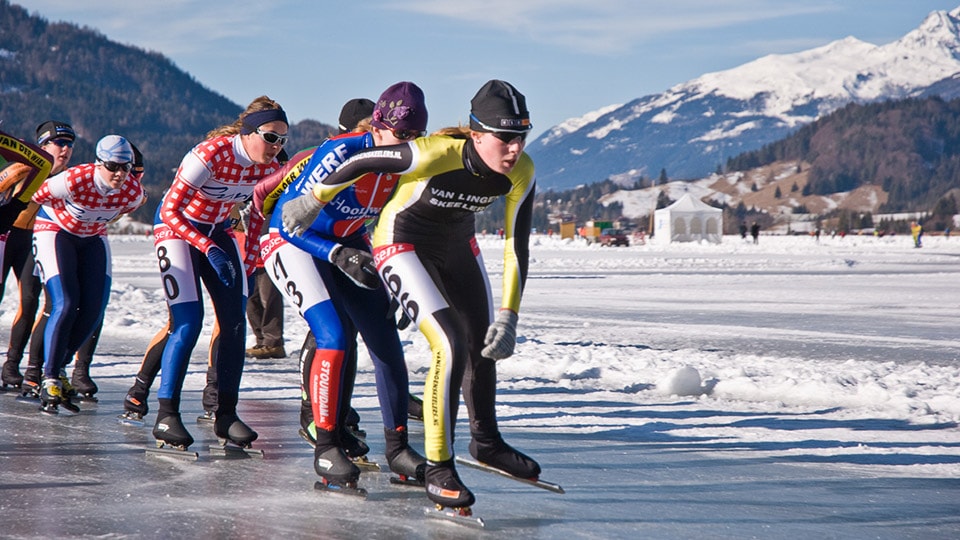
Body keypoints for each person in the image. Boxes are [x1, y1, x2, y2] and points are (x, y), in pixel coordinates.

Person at [282, 79, 540, 510]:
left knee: (482, 344)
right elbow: (360, 160)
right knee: (449, 345)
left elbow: (516, 247)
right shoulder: (432, 153)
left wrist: (510, 314)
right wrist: (314, 199)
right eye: (505, 138)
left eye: (521, 137)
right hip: (399, 245)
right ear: (477, 134)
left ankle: (487, 441)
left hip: (457, 247)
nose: (514, 149)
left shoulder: (522, 171)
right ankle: (439, 465)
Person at [256, 86, 427, 488]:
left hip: (348, 243)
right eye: (401, 137)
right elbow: (289, 223)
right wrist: (336, 255)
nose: (407, 147)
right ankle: (327, 446)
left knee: (385, 336)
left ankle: (398, 448)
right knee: (332, 337)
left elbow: (394, 227)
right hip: (292, 241)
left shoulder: (407, 163)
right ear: (379, 126)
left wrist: (398, 278)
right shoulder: (342, 152)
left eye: (415, 138)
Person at [149, 96, 285, 450]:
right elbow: (171, 212)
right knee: (188, 322)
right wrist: (206, 247)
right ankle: (167, 414)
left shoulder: (271, 165)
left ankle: (226, 413)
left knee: (235, 322)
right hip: (178, 230)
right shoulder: (210, 153)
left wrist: (253, 259)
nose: (276, 147)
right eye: (271, 137)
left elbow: (257, 215)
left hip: (218, 230)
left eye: (283, 140)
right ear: (249, 132)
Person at [31, 135, 145, 413]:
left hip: (92, 237)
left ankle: (59, 369)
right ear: (98, 163)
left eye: (126, 168)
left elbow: (128, 208)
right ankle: (48, 377)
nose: (119, 174)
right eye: (112, 166)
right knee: (66, 303)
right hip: (56, 232)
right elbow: (37, 195)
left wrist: (93, 219)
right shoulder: (74, 179)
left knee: (94, 309)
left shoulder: (133, 192)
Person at [0, 122, 72, 390]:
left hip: (32, 241)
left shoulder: (68, 178)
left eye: (70, 145)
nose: (65, 149)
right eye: (59, 143)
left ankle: (12, 365)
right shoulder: (23, 166)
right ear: (43, 146)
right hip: (6, 236)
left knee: (30, 300)